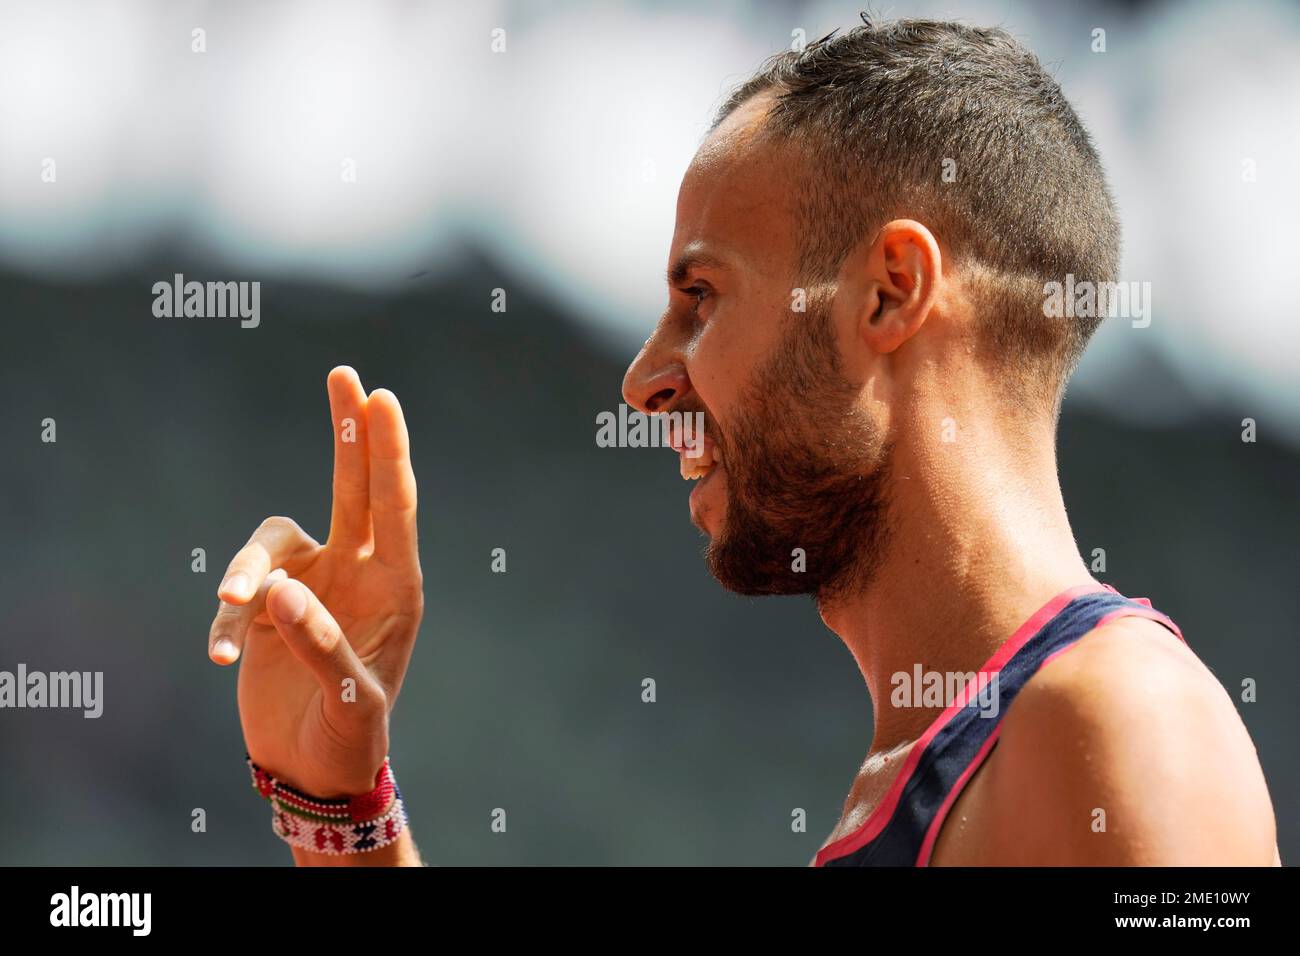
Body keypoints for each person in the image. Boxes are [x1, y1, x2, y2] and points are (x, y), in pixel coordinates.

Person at [207, 18, 1279, 866]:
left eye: (701, 295)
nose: (644, 379)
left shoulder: (1116, 721)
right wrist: (335, 803)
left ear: (891, 291)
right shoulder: (938, 761)